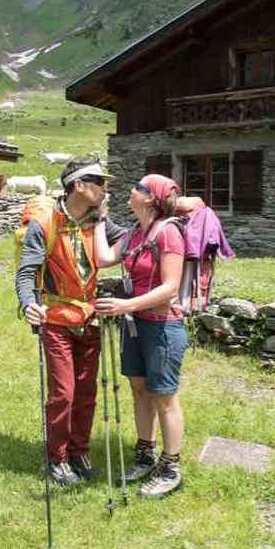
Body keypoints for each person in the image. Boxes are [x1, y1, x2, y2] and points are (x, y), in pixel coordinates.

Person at [15, 155, 126, 488]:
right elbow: (26, 271)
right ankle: (58, 457)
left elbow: (130, 237)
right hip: (58, 320)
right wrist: (28, 304)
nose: (106, 189)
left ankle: (79, 451)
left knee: (87, 391)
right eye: (100, 182)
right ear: (79, 185)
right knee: (63, 392)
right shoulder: (44, 221)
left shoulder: (98, 220)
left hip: (89, 319)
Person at [93, 173, 194, 499]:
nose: (131, 190)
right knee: (139, 390)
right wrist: (99, 218)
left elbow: (169, 288)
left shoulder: (169, 233)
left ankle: (171, 467)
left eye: (138, 187)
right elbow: (104, 258)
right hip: (136, 324)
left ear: (150, 198)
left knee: (164, 397)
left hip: (163, 326)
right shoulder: (136, 232)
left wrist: (125, 305)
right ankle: (145, 454)